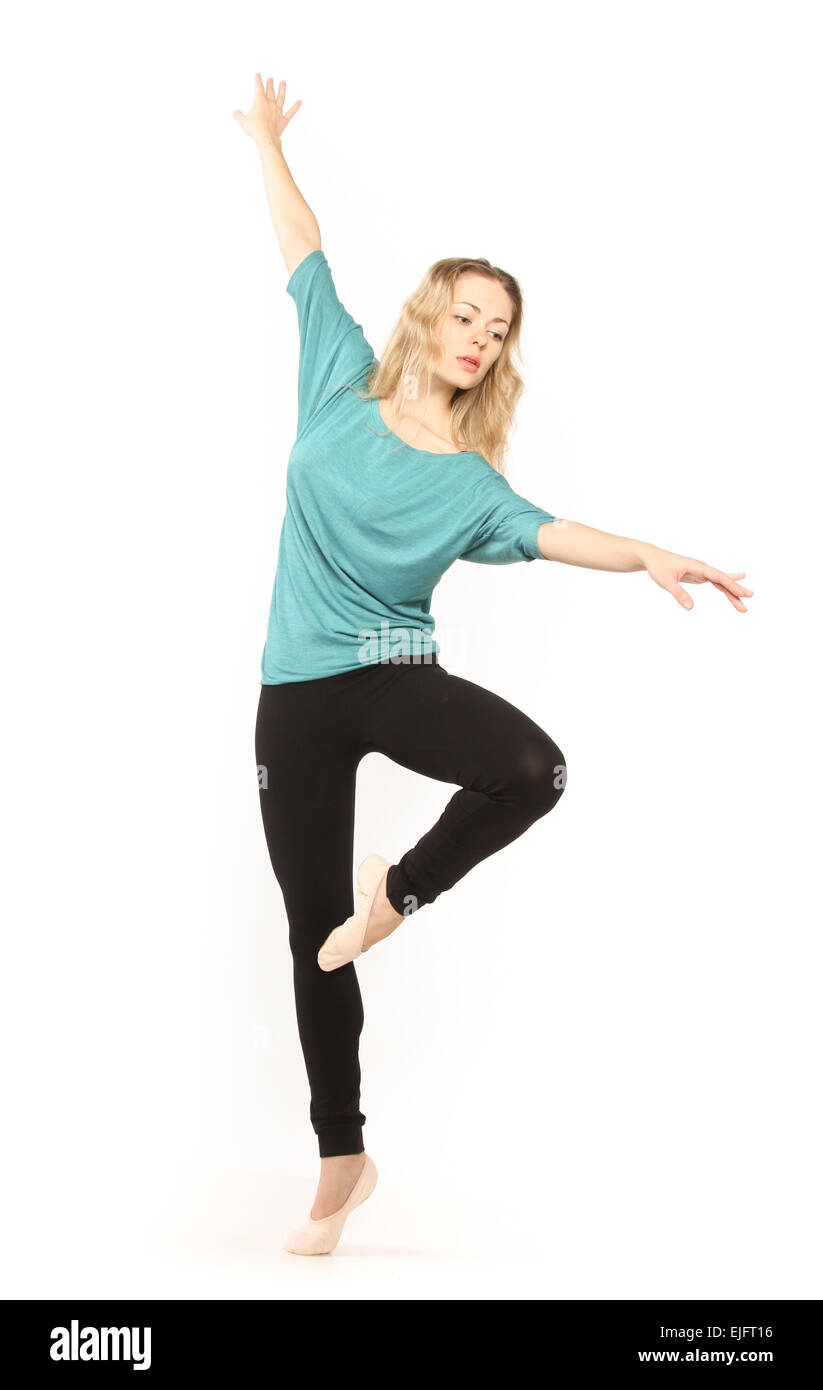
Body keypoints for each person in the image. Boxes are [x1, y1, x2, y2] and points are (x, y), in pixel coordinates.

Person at [233, 74, 753, 1256]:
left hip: (391, 669)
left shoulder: (471, 485)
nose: (482, 336)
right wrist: (265, 139)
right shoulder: (338, 374)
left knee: (532, 767)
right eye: (469, 313)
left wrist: (653, 553)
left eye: (500, 327)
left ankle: (401, 894)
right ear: (428, 315)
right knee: (312, 931)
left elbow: (558, 532)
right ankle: (341, 1156)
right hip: (293, 696)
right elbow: (300, 244)